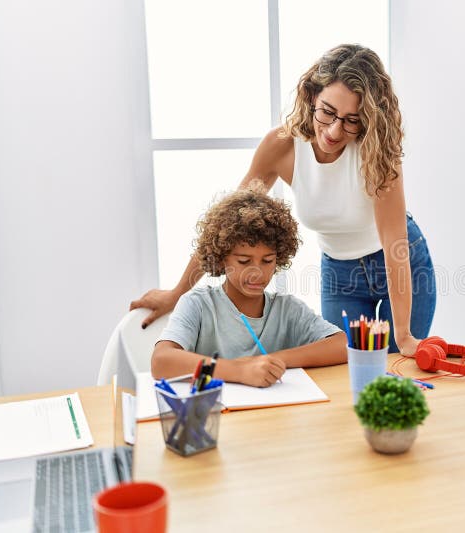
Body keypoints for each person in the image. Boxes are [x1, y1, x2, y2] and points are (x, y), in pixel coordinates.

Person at [133, 44, 436, 355]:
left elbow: (394, 242)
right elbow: (229, 224)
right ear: (311, 96)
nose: (333, 131)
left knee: (395, 365)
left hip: (400, 262)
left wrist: (403, 335)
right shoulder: (281, 146)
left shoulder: (376, 151)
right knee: (346, 368)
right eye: (327, 112)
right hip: (340, 272)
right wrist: (177, 293)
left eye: (351, 120)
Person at [151, 187, 347, 387]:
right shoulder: (199, 305)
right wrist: (240, 370)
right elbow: (161, 362)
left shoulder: (287, 309)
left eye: (267, 260)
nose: (258, 273)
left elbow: (343, 345)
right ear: (221, 259)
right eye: (244, 261)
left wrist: (276, 360)